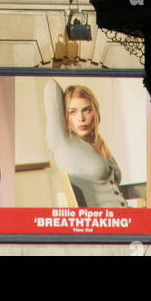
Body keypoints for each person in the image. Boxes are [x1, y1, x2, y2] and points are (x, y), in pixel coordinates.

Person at [43, 79, 126, 208]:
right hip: (102, 224)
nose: (81, 118)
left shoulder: (98, 145)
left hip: (124, 218)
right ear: (65, 116)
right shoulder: (62, 142)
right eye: (73, 112)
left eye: (86, 110)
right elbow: (51, 87)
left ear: (95, 112)